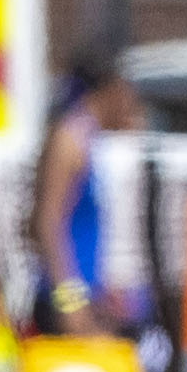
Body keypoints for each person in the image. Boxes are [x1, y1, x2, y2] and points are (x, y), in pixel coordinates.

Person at [31, 52, 145, 337]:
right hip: (64, 297)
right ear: (112, 90)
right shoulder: (69, 139)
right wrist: (70, 302)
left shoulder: (88, 138)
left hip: (87, 294)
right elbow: (47, 222)